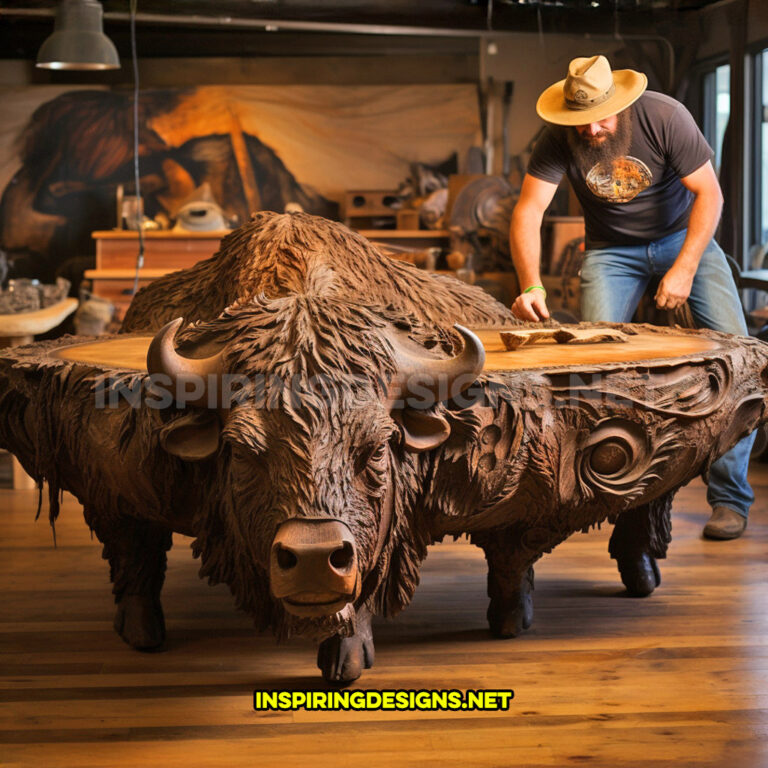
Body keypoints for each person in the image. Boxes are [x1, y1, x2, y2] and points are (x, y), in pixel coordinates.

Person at [509, 54, 755, 543]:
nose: (593, 128)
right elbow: (528, 210)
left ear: (619, 103)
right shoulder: (560, 137)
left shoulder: (664, 116)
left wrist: (684, 268)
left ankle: (730, 497)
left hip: (684, 238)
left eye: (602, 116)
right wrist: (531, 284)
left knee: (737, 356)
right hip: (610, 251)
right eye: (582, 120)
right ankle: (609, 485)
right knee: (596, 367)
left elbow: (711, 196)